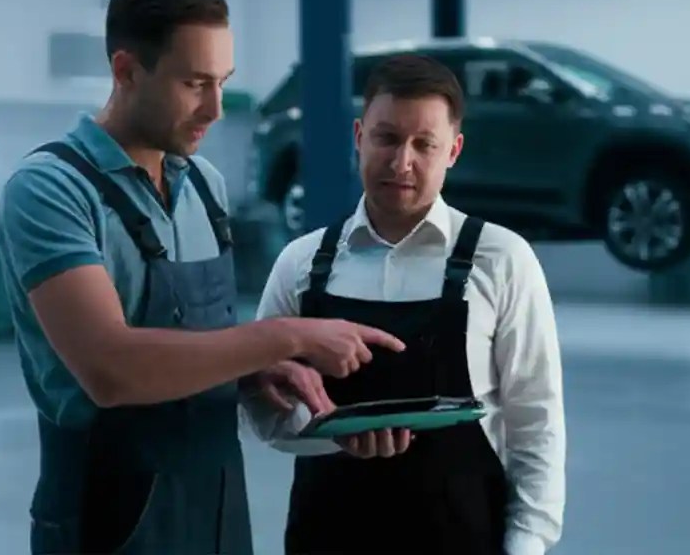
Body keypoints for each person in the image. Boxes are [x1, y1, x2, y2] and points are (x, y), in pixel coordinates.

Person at [0, 0, 406, 555]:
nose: (215, 108)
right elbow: (109, 368)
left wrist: (252, 374)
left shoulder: (204, 184)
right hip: (106, 516)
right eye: (194, 83)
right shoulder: (49, 190)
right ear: (126, 71)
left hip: (215, 504)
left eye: (223, 82)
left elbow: (196, 342)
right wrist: (281, 337)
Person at [241, 54, 567, 555]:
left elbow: (535, 424)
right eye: (387, 138)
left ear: (453, 150)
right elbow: (263, 409)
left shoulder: (502, 260)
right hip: (326, 536)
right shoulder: (302, 264)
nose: (401, 163)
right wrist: (329, 434)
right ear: (358, 137)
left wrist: (526, 544)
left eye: (424, 145)